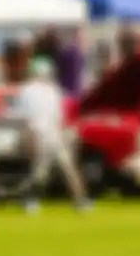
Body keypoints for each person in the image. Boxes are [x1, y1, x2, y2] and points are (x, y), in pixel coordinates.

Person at [14, 58, 89, 214]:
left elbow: (22, 116)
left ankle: (31, 201)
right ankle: (80, 201)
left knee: (43, 172)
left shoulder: (29, 90)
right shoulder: (51, 90)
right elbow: (59, 117)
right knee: (64, 169)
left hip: (41, 134)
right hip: (51, 135)